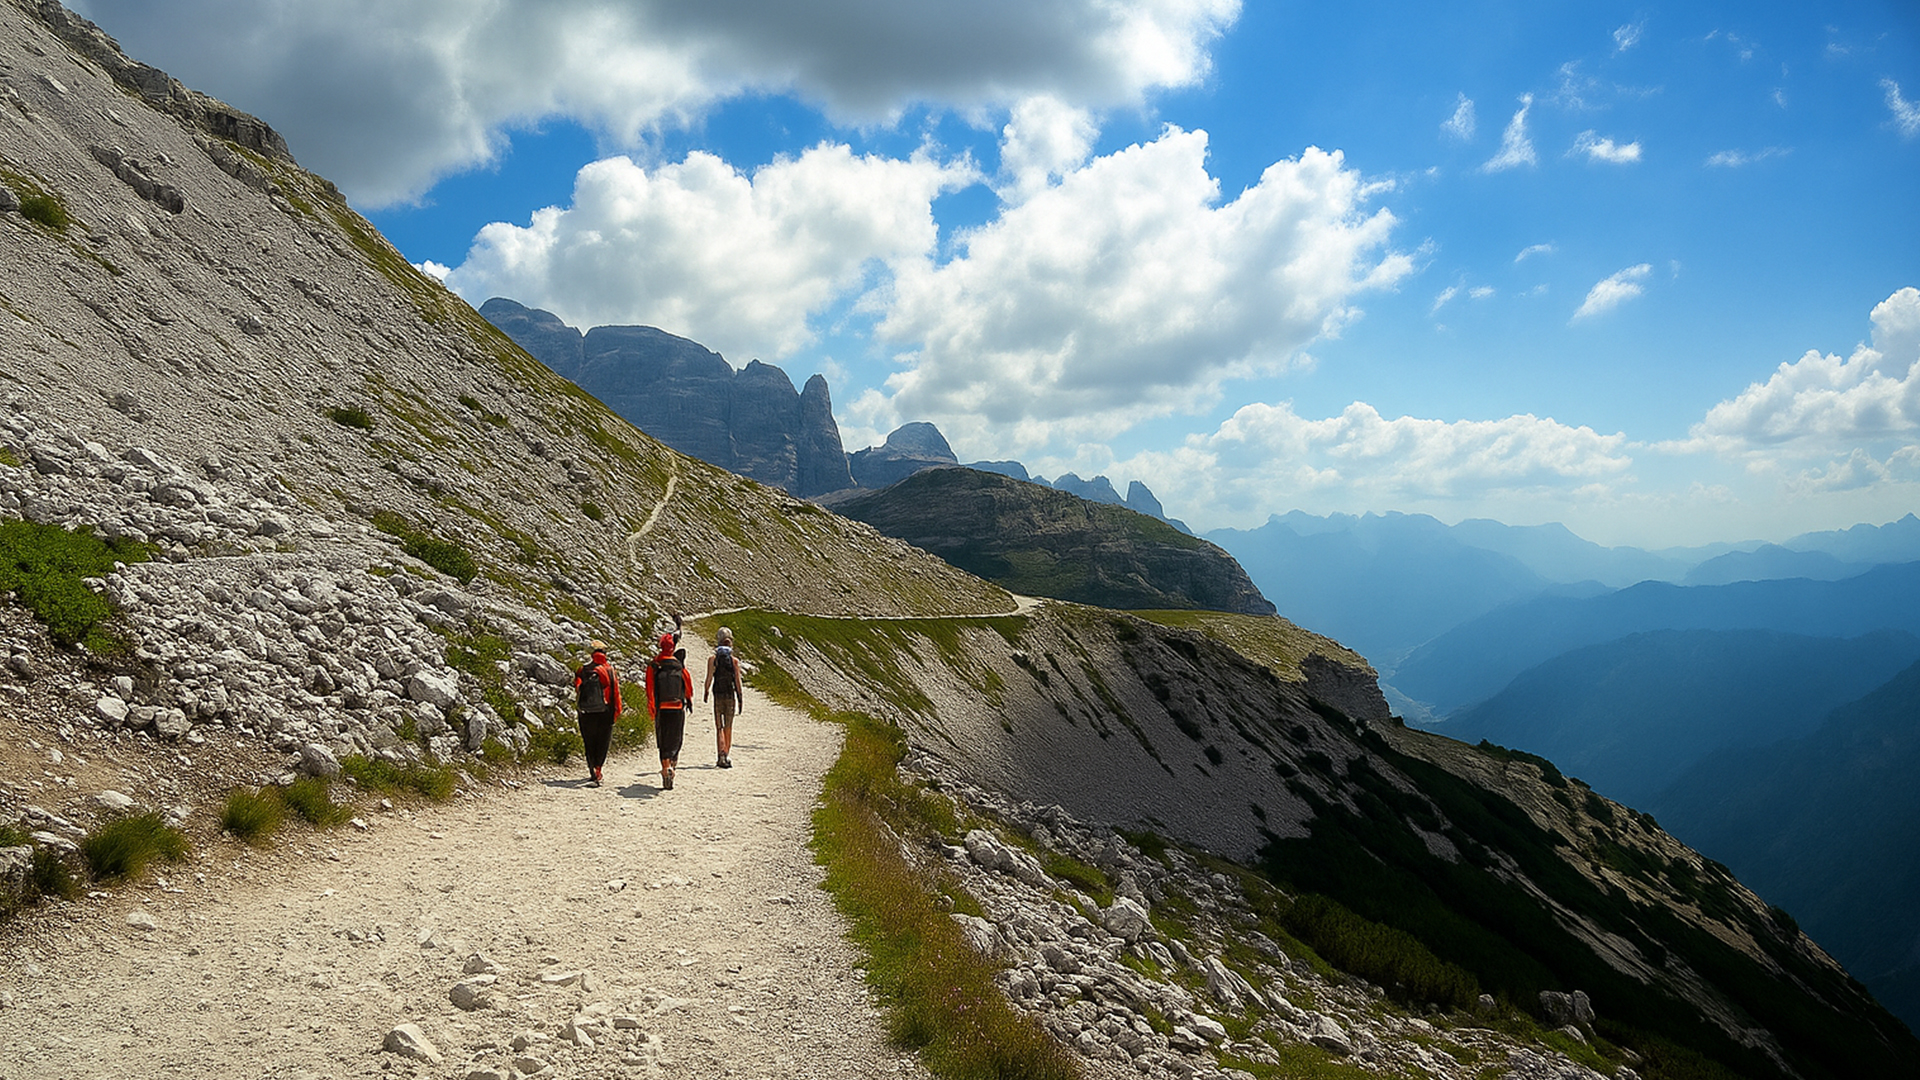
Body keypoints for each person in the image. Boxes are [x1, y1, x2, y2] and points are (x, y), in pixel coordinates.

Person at [646, 631, 694, 790]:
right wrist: (688, 700)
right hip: (677, 706)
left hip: (662, 707)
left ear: (661, 646)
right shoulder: (679, 666)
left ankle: (665, 767)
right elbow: (688, 688)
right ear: (673, 648)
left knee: (663, 739)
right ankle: (673, 766)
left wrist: (652, 707)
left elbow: (650, 688)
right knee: (676, 738)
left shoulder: (655, 665)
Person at [572, 640, 623, 788]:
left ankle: (591, 767)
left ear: (592, 654)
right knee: (602, 741)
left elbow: (577, 688)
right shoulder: (609, 670)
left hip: (586, 711)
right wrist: (617, 711)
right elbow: (615, 692)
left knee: (589, 741)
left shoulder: (583, 670)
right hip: (605, 710)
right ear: (604, 654)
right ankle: (598, 769)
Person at [703, 626, 744, 768]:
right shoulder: (734, 661)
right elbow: (737, 681)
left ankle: (720, 754)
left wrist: (706, 691)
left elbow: (709, 678)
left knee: (719, 726)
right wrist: (740, 698)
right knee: (728, 726)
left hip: (717, 695)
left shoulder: (712, 659)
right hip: (730, 695)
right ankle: (726, 753)